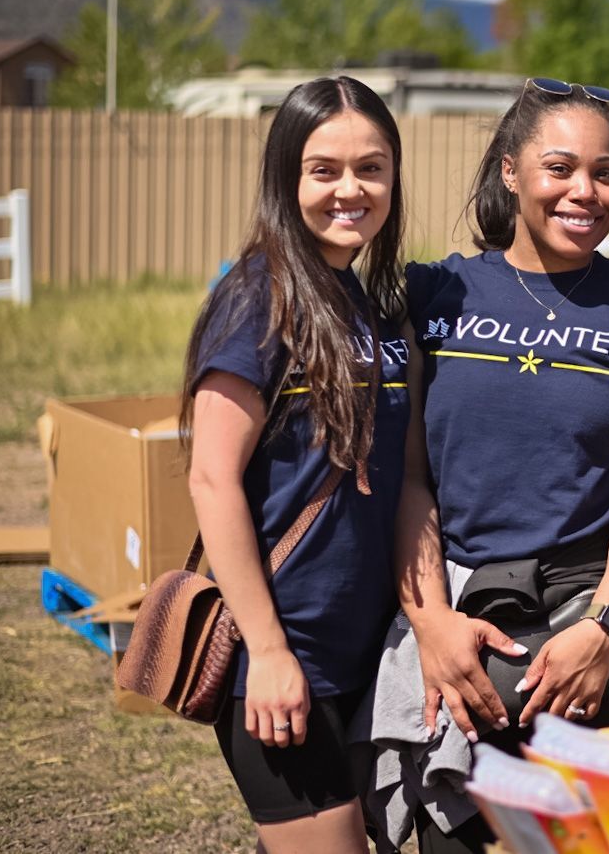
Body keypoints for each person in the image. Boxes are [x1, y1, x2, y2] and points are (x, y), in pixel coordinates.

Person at [394, 78, 609, 851]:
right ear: (510, 170)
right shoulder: (435, 293)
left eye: (606, 174)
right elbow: (407, 480)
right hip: (457, 609)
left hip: (591, 621)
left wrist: (604, 629)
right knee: (444, 836)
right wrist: (433, 624)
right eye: (560, 167)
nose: (586, 192)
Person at [181, 75, 411, 852]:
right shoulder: (260, 296)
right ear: (288, 177)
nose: (351, 189)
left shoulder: (368, 301)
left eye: (371, 167)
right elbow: (211, 476)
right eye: (325, 170)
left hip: (362, 651)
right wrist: (271, 652)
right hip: (285, 656)